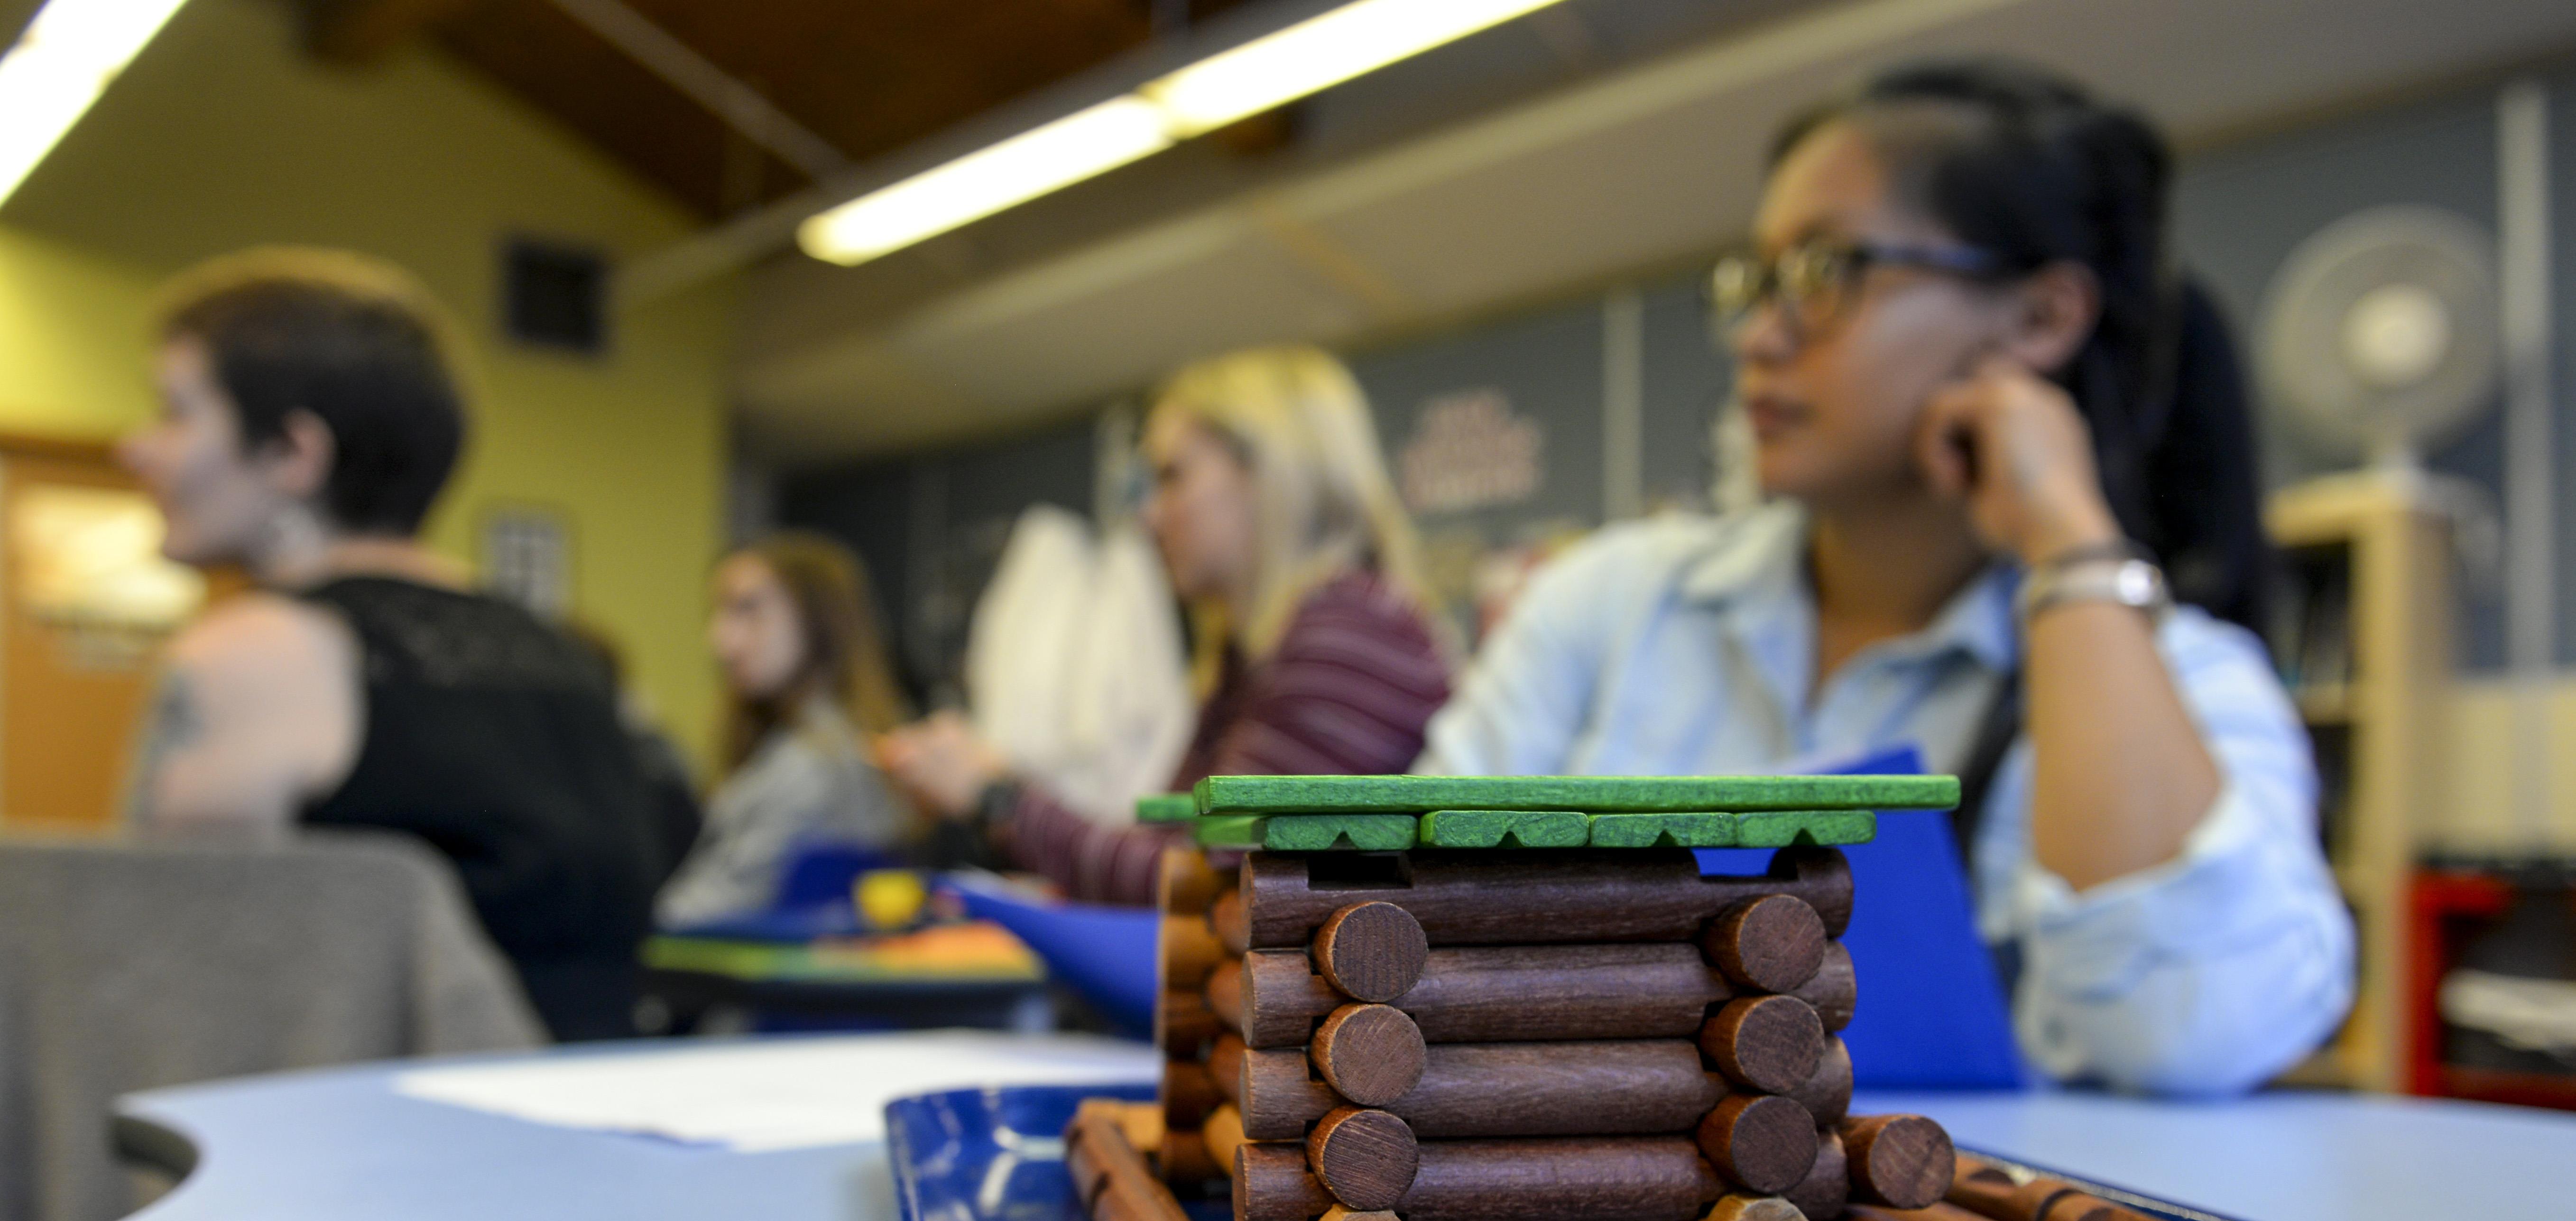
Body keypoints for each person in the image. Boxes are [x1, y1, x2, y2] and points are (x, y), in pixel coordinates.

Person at [1417, 60, 2353, 1096]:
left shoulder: (2179, 675)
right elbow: (1405, 929)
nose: (1759, 335)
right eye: (1757, 281)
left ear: (2038, 317)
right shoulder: (1606, 604)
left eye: (1826, 271)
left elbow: (2189, 1036)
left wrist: (2067, 543)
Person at [120, 249, 662, 1043]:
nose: (136, 448)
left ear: (294, 454)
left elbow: (167, 979)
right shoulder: (562, 649)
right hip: (600, 1095)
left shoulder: (251, 652)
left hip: (373, 1111)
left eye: (173, 412)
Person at [878, 345, 1453, 904]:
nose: (1150, 515)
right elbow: (1179, 852)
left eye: (1173, 476)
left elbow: (1209, 886)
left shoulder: (1347, 636)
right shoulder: (1257, 655)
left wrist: (998, 798)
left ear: (1266, 472)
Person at [655, 532, 913, 928]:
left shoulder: (813, 764)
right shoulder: (851, 744)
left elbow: (719, 907)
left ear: (820, 616)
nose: (720, 641)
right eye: (719, 612)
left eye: (748, 609)